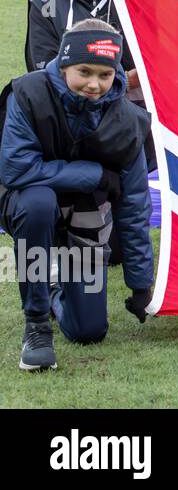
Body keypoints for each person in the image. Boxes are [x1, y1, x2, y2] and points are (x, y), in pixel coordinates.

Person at [1, 19, 154, 370]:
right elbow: (16, 169)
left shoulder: (130, 121)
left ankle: (55, 286)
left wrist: (140, 282)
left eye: (105, 74)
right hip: (26, 202)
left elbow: (133, 207)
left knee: (89, 331)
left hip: (84, 215)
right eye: (84, 71)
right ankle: (36, 326)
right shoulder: (27, 93)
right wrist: (94, 174)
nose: (94, 84)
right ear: (65, 62)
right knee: (38, 202)